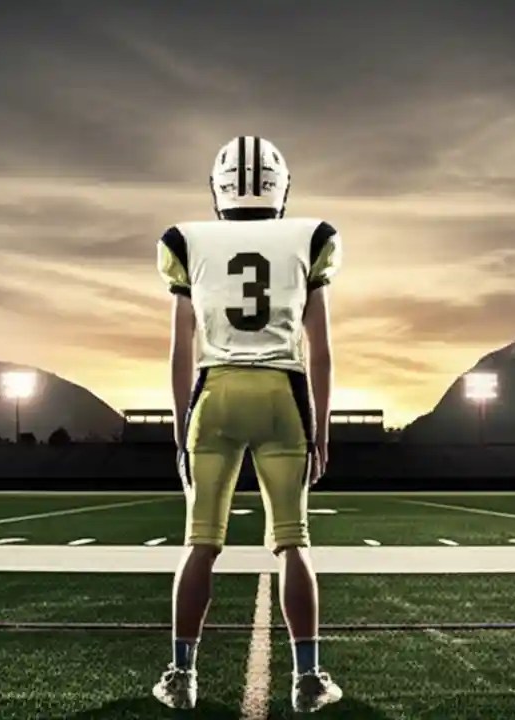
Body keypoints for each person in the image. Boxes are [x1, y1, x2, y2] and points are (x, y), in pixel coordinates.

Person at [151, 135, 344, 713]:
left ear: (219, 188)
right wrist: (322, 427)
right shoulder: (309, 237)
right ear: (281, 187)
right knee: (293, 544)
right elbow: (321, 350)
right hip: (283, 393)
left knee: (200, 543)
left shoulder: (187, 240)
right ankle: (307, 679)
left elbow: (181, 349)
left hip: (215, 392)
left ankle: (182, 676)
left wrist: (181, 424)